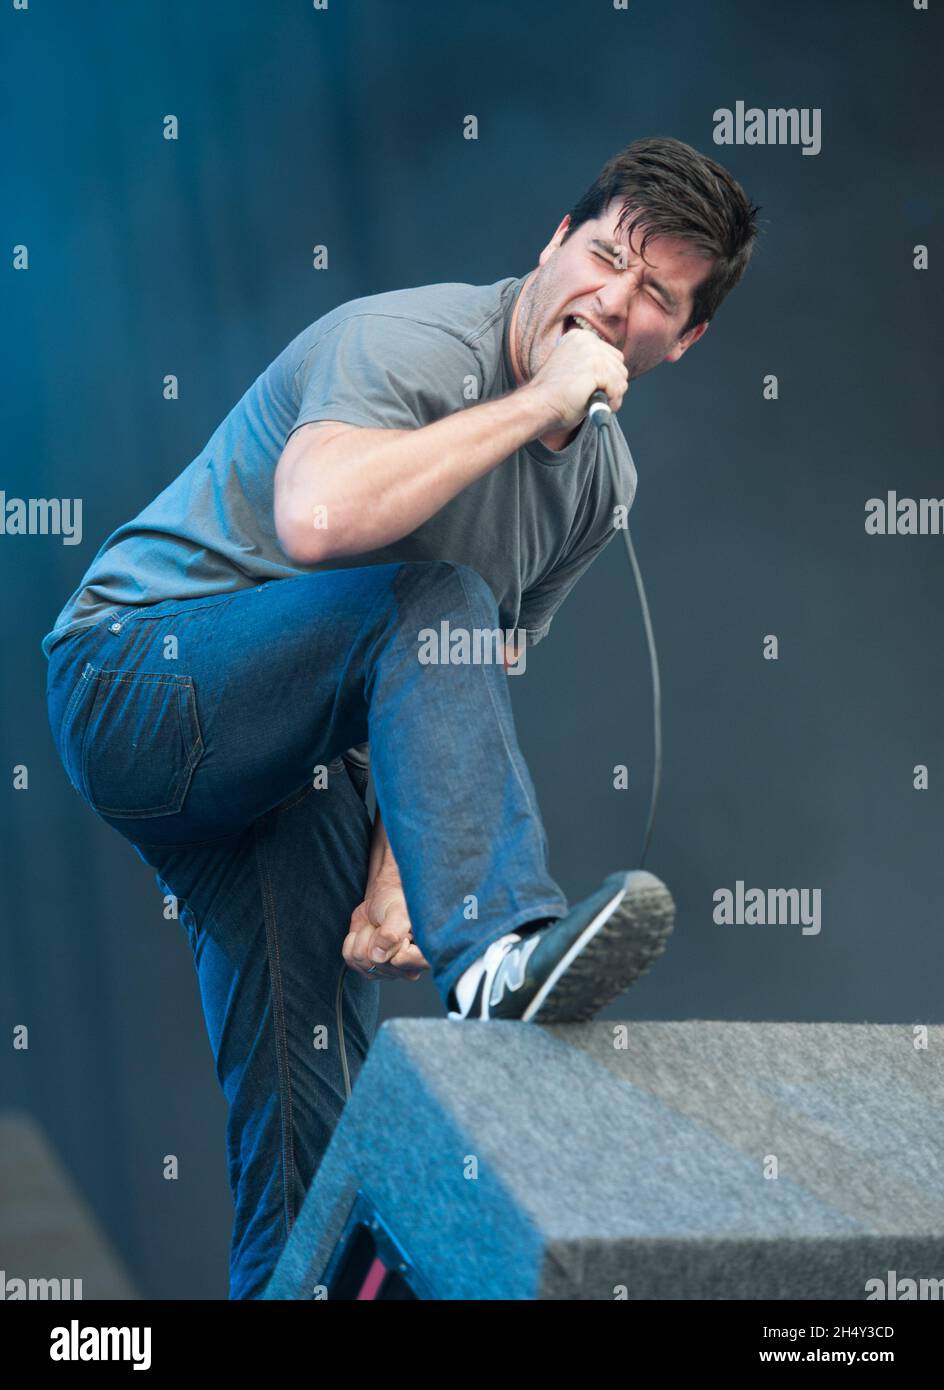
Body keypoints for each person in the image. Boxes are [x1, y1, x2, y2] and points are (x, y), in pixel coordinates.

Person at [42, 135, 760, 1297]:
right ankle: (496, 957)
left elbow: (454, 680)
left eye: (654, 297)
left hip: (292, 773)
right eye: (600, 257)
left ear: (682, 339)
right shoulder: (412, 340)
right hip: (134, 678)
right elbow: (321, 519)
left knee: (311, 1166)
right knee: (433, 595)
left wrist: (396, 874)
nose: (609, 304)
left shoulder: (600, 484)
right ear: (550, 244)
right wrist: (533, 405)